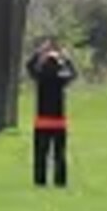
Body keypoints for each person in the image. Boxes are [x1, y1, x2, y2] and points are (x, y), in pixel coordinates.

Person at [26, 37, 78, 188]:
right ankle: (60, 181)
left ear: (44, 64)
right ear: (57, 65)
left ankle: (40, 181)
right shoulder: (60, 79)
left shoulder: (41, 78)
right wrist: (65, 57)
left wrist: (40, 52)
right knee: (59, 155)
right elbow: (73, 74)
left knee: (40, 155)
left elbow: (29, 66)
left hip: (42, 122)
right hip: (58, 123)